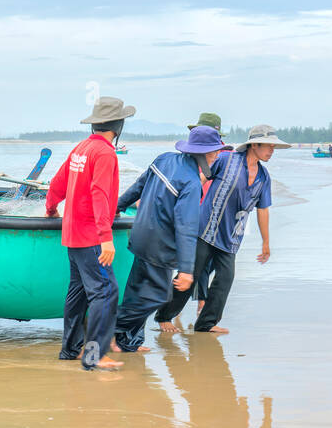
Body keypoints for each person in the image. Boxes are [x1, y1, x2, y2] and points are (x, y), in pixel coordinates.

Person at [155, 124, 288, 334]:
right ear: (255, 145)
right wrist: (182, 203)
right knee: (190, 275)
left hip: (231, 237)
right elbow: (199, 179)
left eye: (274, 147)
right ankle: (164, 316)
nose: (272, 150)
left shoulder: (264, 177)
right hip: (205, 230)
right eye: (269, 146)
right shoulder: (227, 160)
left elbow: (263, 210)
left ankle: (206, 324)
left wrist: (266, 243)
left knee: (225, 279)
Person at [112, 126, 231, 353]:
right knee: (157, 296)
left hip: (140, 236)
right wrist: (186, 270)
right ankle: (110, 330)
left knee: (136, 291)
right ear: (203, 153)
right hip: (159, 247)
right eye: (215, 151)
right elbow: (186, 228)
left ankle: (128, 342)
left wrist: (117, 206)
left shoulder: (165, 159)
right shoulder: (191, 183)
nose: (217, 155)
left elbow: (139, 185)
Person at [45, 96, 134, 370]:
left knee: (78, 293)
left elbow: (59, 182)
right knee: (106, 291)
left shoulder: (81, 148)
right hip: (90, 237)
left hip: (72, 234)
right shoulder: (105, 153)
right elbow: (99, 193)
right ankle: (94, 356)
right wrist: (106, 238)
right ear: (117, 126)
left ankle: (69, 350)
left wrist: (50, 208)